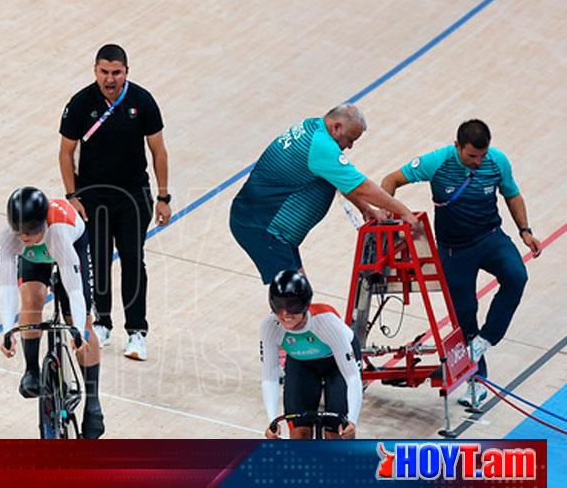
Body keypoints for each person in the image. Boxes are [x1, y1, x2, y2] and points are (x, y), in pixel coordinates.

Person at [381, 119, 541, 406]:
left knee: (517, 275)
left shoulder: (497, 161)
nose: (478, 162)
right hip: (454, 250)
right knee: (465, 315)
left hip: (490, 238)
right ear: (457, 146)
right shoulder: (437, 162)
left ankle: (485, 340)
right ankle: (477, 381)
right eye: (471, 156)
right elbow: (390, 181)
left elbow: (512, 194)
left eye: (482, 155)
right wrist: (387, 225)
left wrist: (525, 231)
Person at [58, 43, 171, 361]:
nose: (110, 79)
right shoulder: (80, 103)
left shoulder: (142, 101)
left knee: (134, 261)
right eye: (104, 72)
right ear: (95, 71)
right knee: (98, 260)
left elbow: (158, 151)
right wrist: (72, 196)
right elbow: (66, 153)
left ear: (126, 72)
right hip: (93, 195)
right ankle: (103, 322)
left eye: (116, 72)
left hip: (133, 195)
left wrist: (163, 197)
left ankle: (137, 332)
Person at [230, 104, 420, 284]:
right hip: (262, 228)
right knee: (293, 298)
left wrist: (365, 209)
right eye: (350, 139)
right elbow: (362, 187)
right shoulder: (321, 146)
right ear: (336, 127)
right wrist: (404, 212)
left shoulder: (314, 127)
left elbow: (340, 180)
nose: (350, 146)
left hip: (271, 228)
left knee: (298, 296)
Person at [0, 187, 105, 438]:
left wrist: (77, 330)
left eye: (30, 232)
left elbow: (75, 290)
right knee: (31, 298)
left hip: (72, 246)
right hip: (36, 259)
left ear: (42, 224)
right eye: (20, 232)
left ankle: (93, 403)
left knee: (81, 323)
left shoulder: (58, 233)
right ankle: (31, 369)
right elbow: (7, 287)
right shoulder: (10, 237)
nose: (25, 237)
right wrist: (7, 331)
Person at [260, 270, 361, 439]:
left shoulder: (326, 322)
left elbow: (352, 377)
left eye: (293, 306)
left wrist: (352, 420)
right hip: (301, 364)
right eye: (278, 306)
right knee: (299, 434)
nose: (285, 314)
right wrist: (272, 421)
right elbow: (269, 377)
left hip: (336, 365)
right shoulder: (270, 326)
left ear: (305, 305)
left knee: (336, 433)